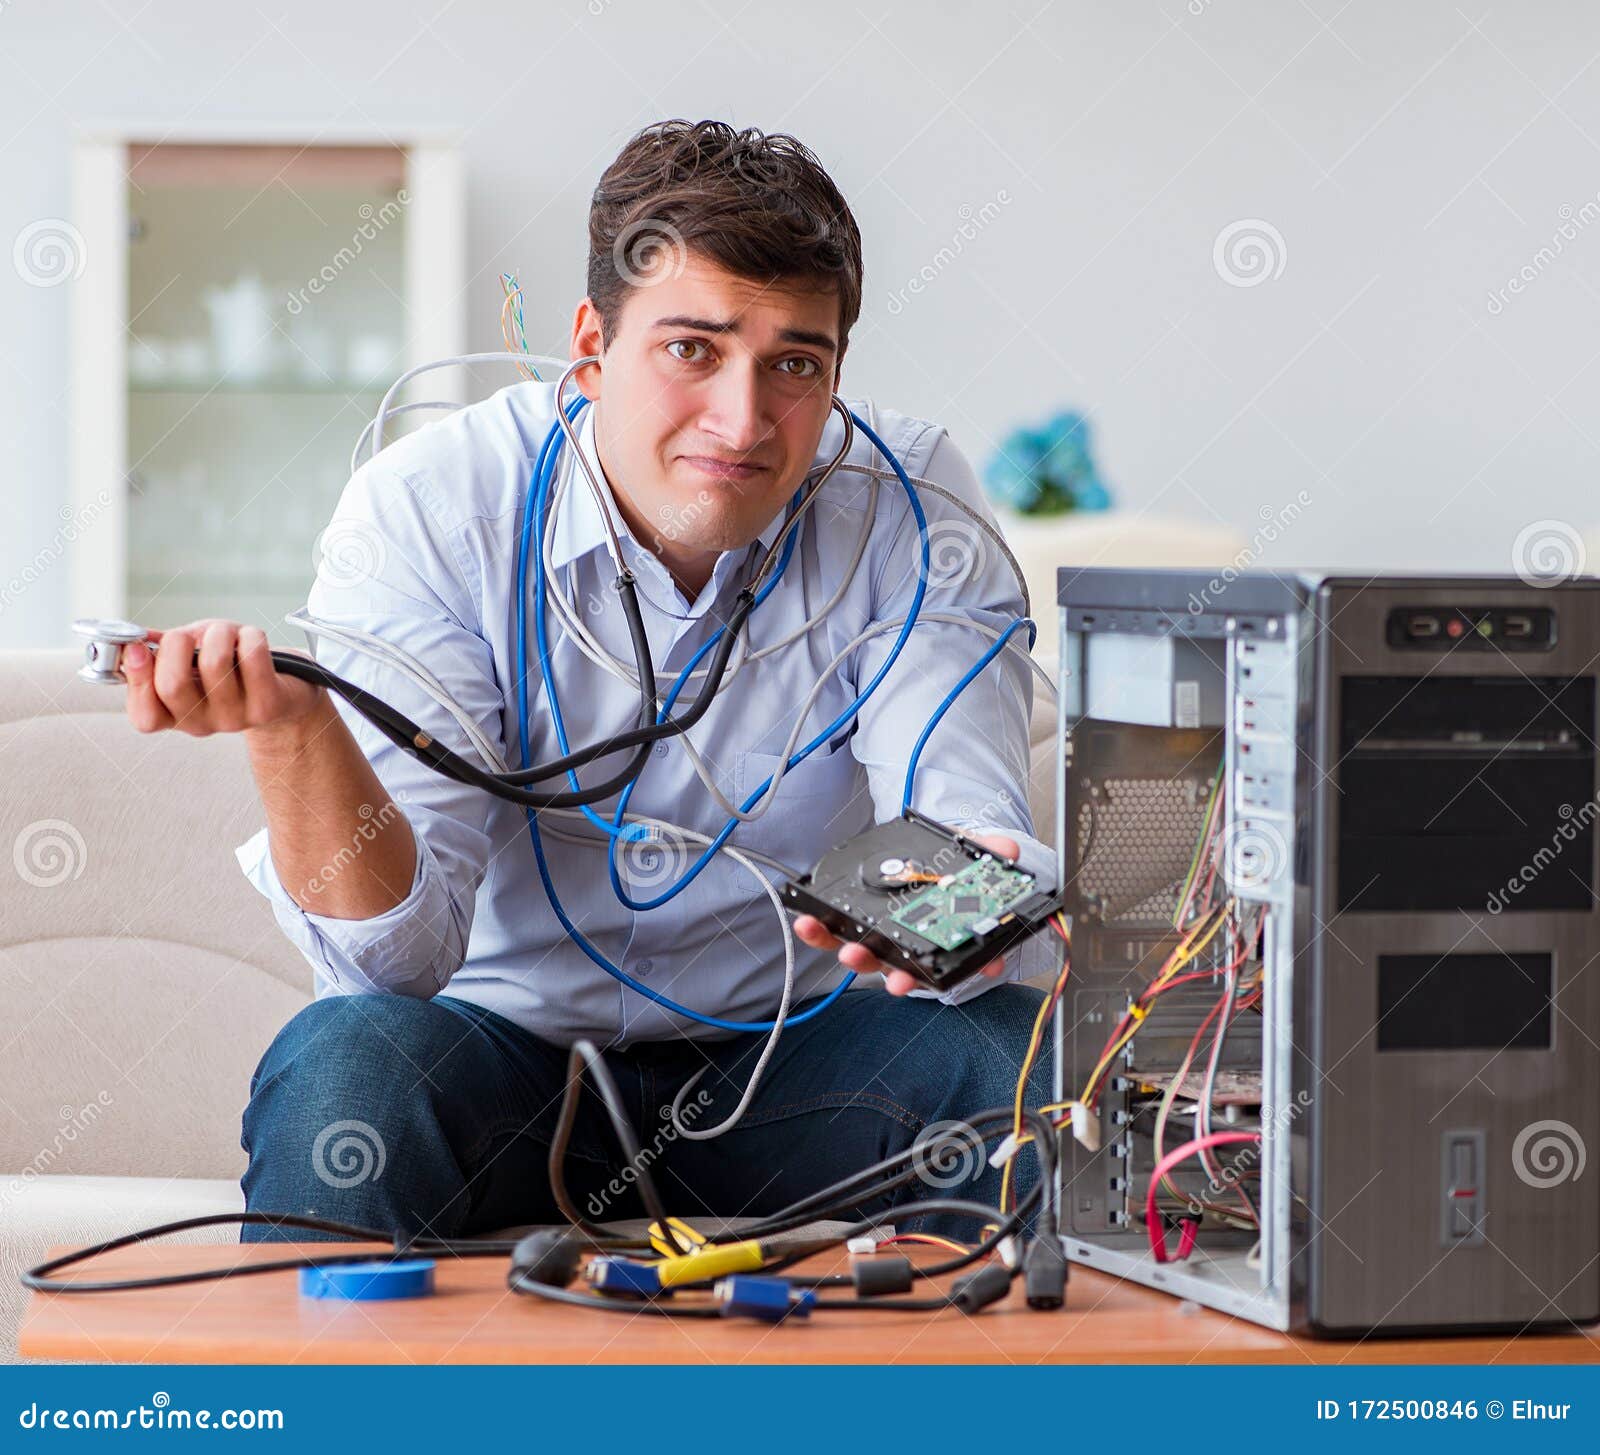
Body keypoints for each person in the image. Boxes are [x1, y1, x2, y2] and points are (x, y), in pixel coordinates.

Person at [119, 119, 1055, 1244]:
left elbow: (958, 845)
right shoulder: (435, 504)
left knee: (1010, 1063)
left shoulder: (910, 503)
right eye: (692, 349)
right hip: (504, 1064)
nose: (744, 420)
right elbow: (393, 962)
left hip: (798, 1066)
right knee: (347, 1066)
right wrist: (293, 735)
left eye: (793, 365)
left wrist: (972, 905)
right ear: (590, 348)